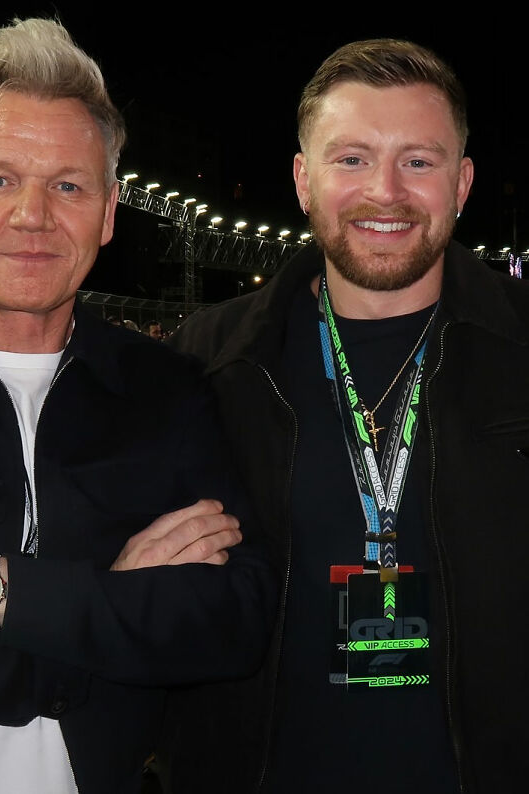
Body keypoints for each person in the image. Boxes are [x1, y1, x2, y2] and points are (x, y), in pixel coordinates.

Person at [0, 18, 277, 794]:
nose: (33, 215)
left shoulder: (165, 387)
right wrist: (104, 606)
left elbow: (228, 622)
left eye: (68, 185)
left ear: (106, 213)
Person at [163, 38, 529, 794]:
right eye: (352, 159)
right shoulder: (211, 359)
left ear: (461, 183)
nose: (385, 192)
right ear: (305, 179)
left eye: (418, 162)